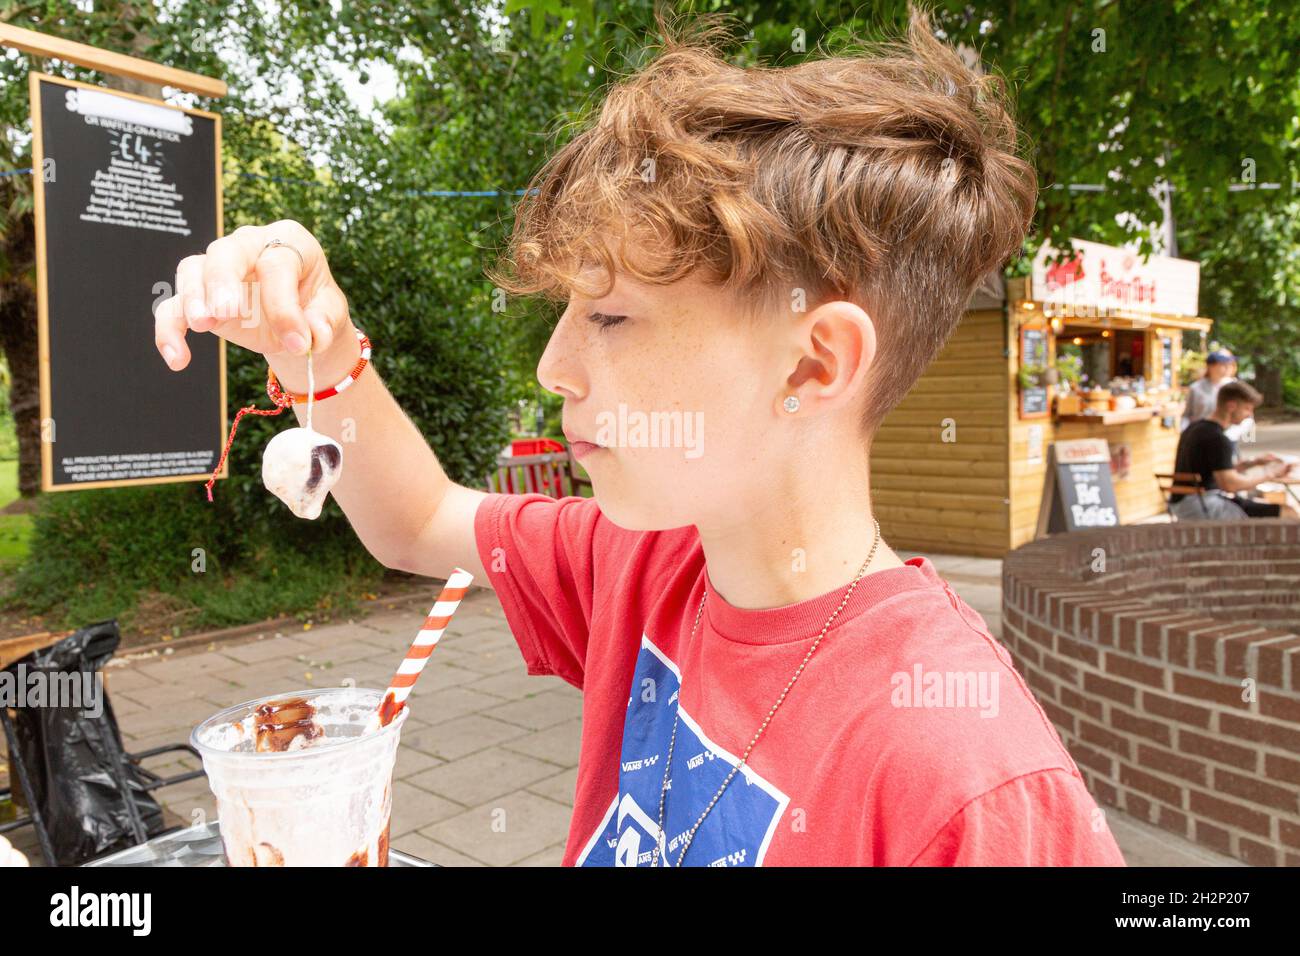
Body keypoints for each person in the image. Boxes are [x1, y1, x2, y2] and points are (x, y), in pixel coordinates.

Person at [154, 7, 1124, 865]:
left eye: (609, 317)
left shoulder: (974, 785)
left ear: (811, 364)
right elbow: (417, 519)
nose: (553, 365)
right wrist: (316, 345)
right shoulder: (645, 565)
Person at [1170, 381, 1298, 520]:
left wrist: (1254, 462)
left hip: (1186, 502)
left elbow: (1220, 470)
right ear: (1231, 406)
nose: (1249, 415)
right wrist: (1270, 473)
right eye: (1247, 409)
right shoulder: (1217, 438)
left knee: (1272, 507)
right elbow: (1230, 484)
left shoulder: (1195, 428)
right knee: (1288, 513)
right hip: (1203, 505)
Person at [1181, 348, 1235, 431]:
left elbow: (1246, 417)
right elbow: (1186, 415)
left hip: (1225, 437)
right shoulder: (1196, 388)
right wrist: (1185, 432)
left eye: (1229, 363)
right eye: (1223, 364)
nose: (1227, 367)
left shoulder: (1235, 387)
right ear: (1211, 366)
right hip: (1199, 436)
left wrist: (1230, 435)